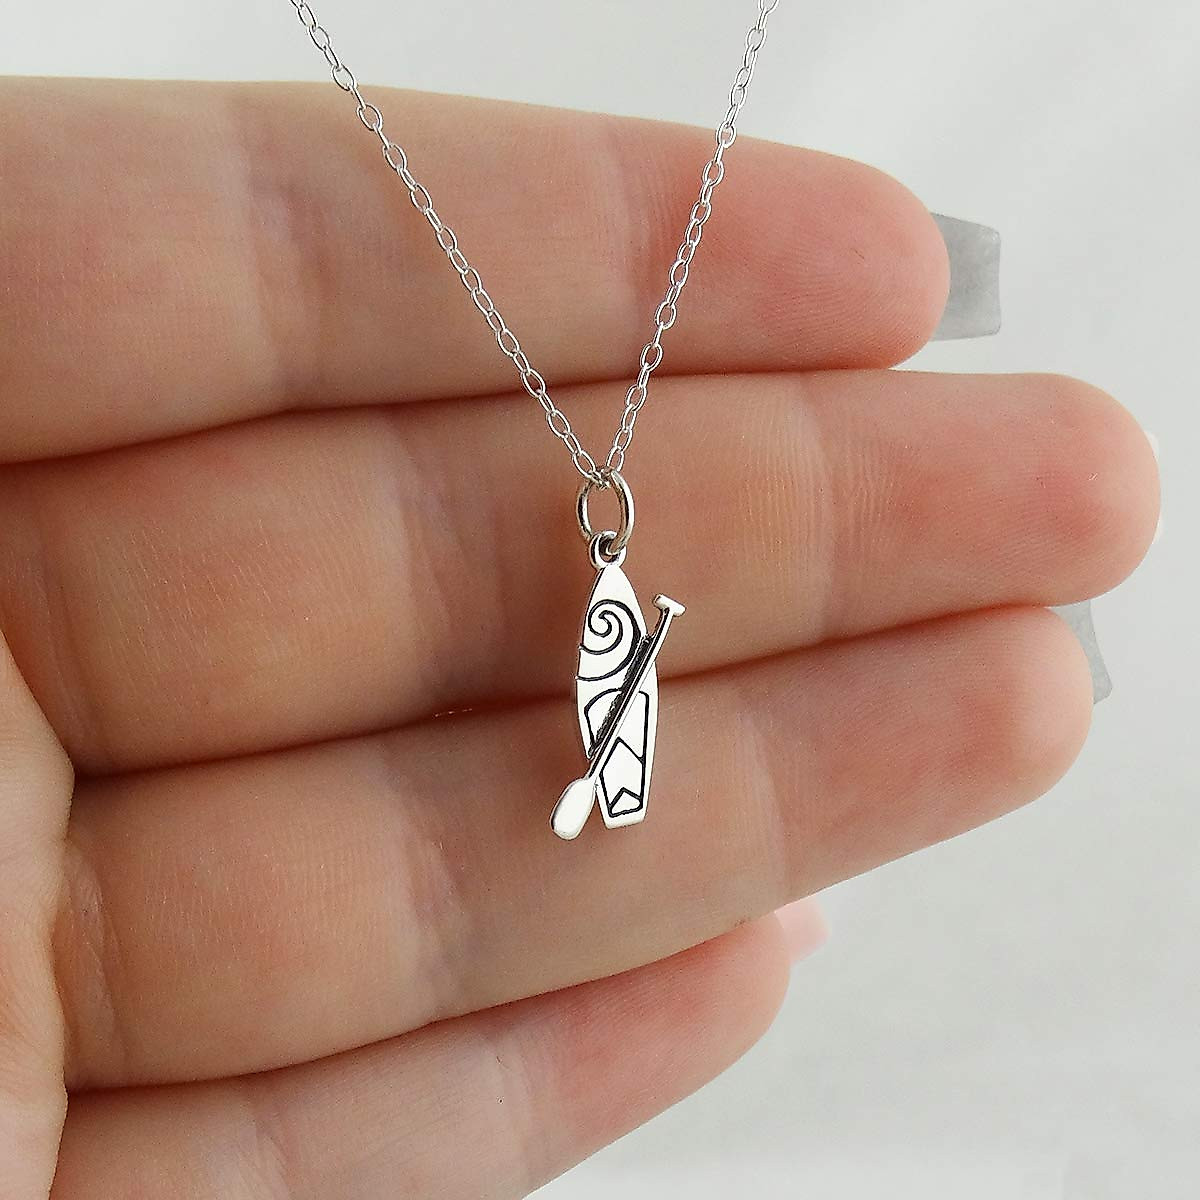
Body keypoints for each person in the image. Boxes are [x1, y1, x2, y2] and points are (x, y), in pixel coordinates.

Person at [0, 79, 1159, 1197]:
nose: (616, 618)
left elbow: (625, 681)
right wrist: (633, 659)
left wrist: (636, 663)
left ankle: (614, 786)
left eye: (618, 615)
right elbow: (616, 677)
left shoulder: (621, 627)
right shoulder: (613, 633)